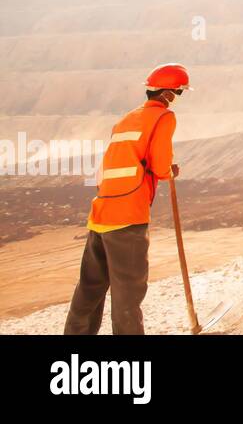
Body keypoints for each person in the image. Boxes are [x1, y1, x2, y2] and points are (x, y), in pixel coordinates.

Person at [64, 63, 188, 335]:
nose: (177, 99)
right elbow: (159, 164)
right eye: (178, 93)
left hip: (101, 213)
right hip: (127, 217)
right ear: (167, 94)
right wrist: (169, 171)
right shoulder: (163, 117)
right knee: (127, 294)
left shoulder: (126, 119)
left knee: (90, 288)